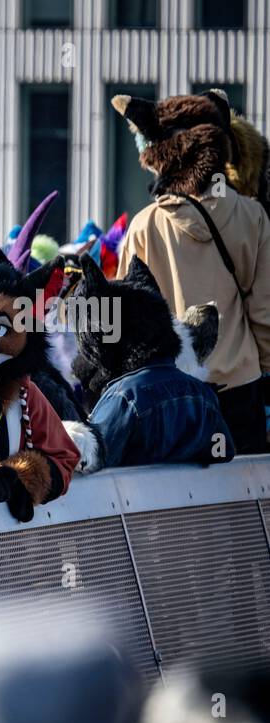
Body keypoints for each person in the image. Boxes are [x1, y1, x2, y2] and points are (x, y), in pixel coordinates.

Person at [112, 90, 270, 452]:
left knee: (180, 502)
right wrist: (260, 368)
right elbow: (265, 312)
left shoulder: (144, 226)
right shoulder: (253, 216)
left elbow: (126, 319)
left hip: (171, 392)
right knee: (247, 499)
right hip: (240, 387)